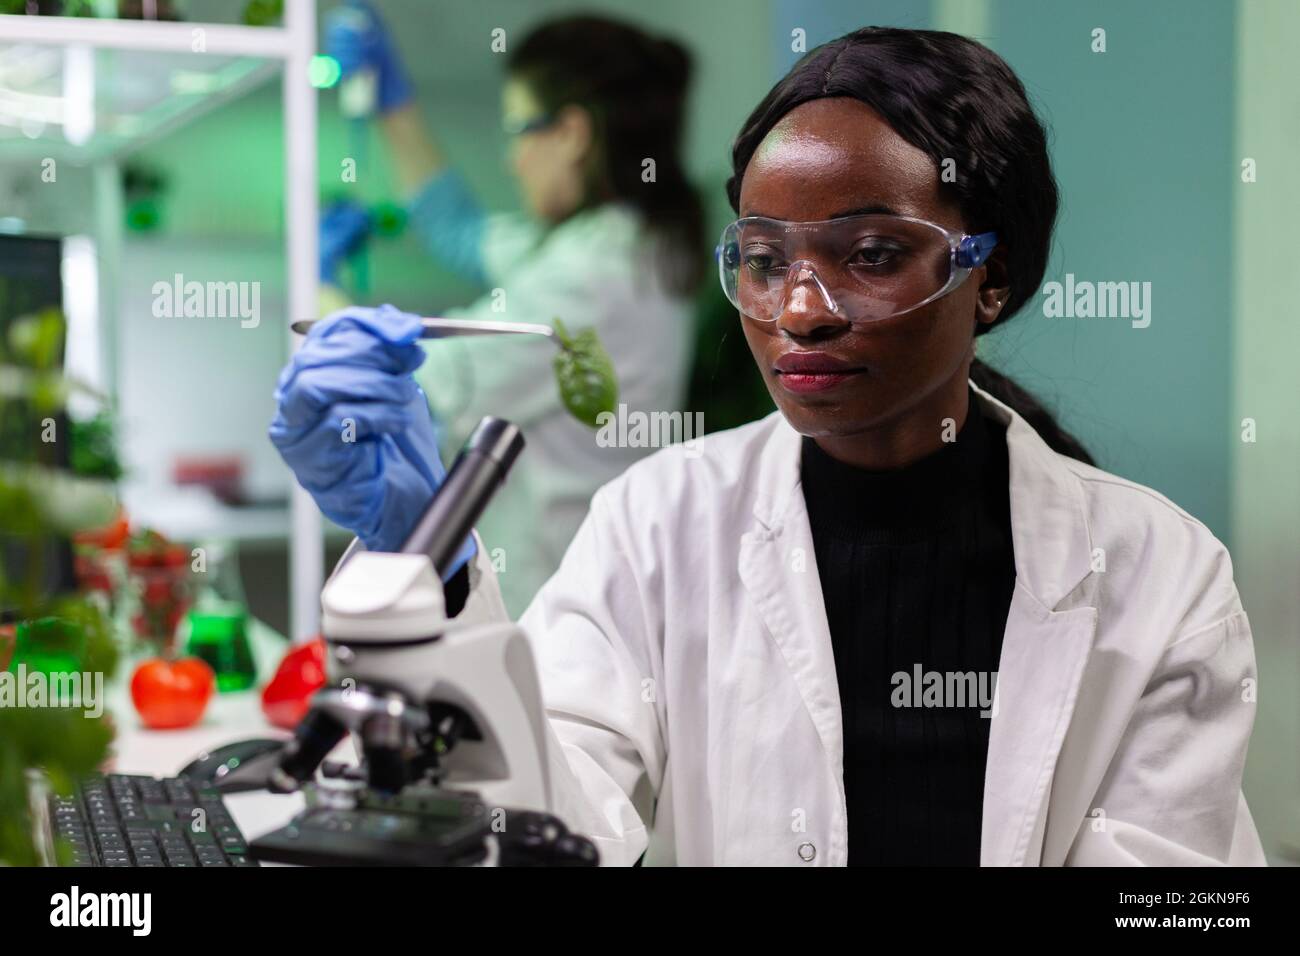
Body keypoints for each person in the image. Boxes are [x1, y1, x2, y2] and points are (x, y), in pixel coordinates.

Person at [272, 27, 1265, 866]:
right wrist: (431, 563)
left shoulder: (1161, 574)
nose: (797, 309)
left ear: (989, 276)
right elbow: (536, 825)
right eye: (761, 257)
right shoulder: (657, 520)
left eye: (869, 253)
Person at [306, 5, 705, 615]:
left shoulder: (592, 275)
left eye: (518, 130)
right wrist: (394, 102)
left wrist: (319, 289)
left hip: (548, 610)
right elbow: (460, 230)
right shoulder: (620, 243)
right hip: (573, 598)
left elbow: (408, 385)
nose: (509, 158)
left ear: (571, 133)